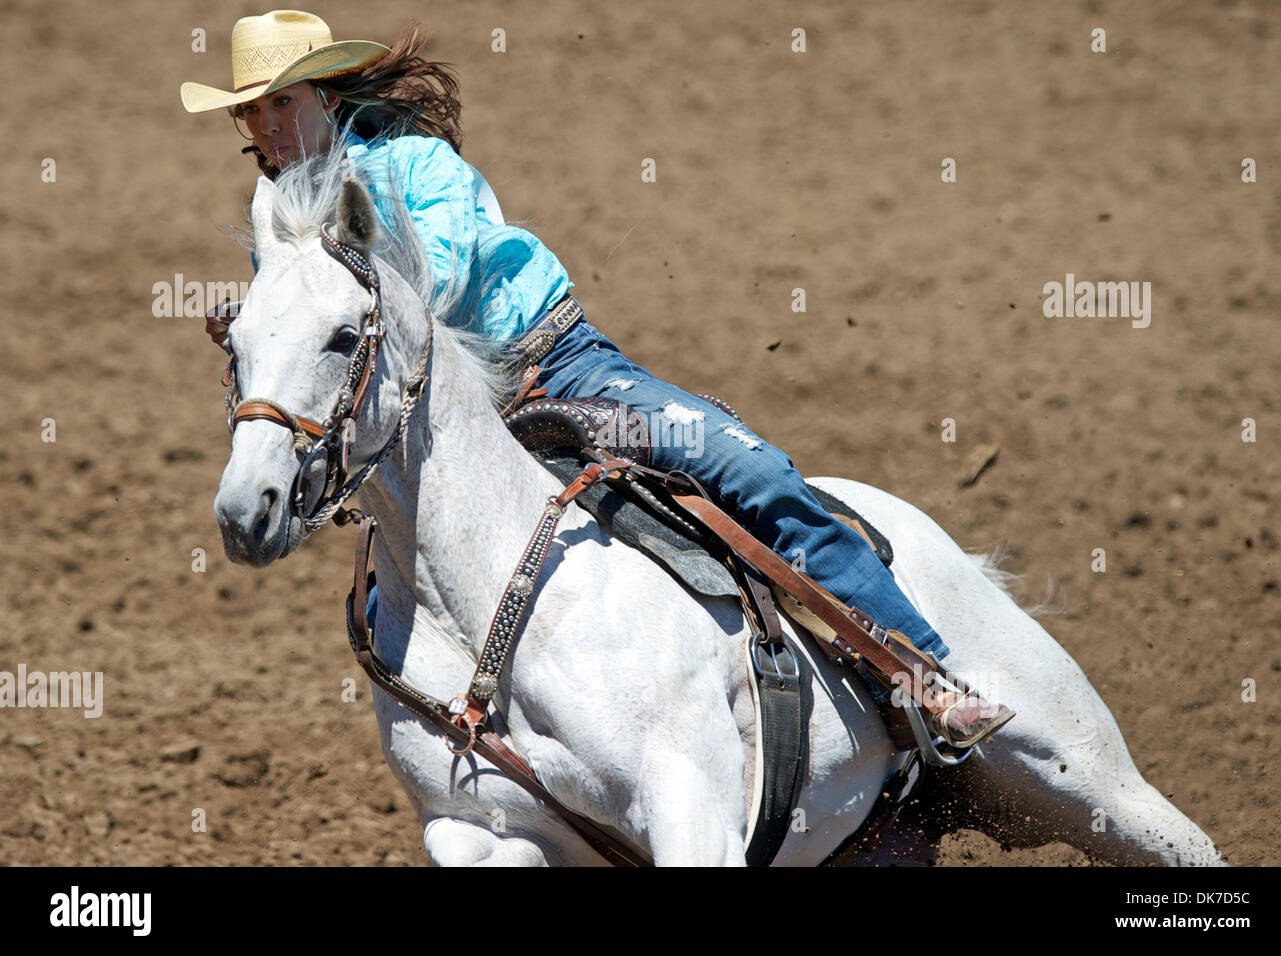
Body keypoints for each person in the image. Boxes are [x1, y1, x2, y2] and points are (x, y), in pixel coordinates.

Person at [181, 10, 1012, 748]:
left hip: (557, 372)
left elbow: (431, 286)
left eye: (279, 101)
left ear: (326, 97)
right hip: (441, 429)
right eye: (250, 110)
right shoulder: (277, 212)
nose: (265, 124)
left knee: (742, 467)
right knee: (392, 600)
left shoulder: (414, 165)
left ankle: (920, 672)